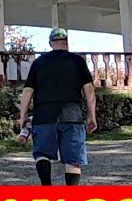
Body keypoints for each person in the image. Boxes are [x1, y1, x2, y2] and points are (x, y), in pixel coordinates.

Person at [18, 28, 97, 186]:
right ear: (66, 43)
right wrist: (92, 115)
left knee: (42, 154)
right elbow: (89, 89)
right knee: (73, 159)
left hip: (44, 115)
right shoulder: (77, 61)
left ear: (50, 43)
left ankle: (47, 188)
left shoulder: (39, 62)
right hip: (72, 115)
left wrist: (23, 116)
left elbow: (28, 90)